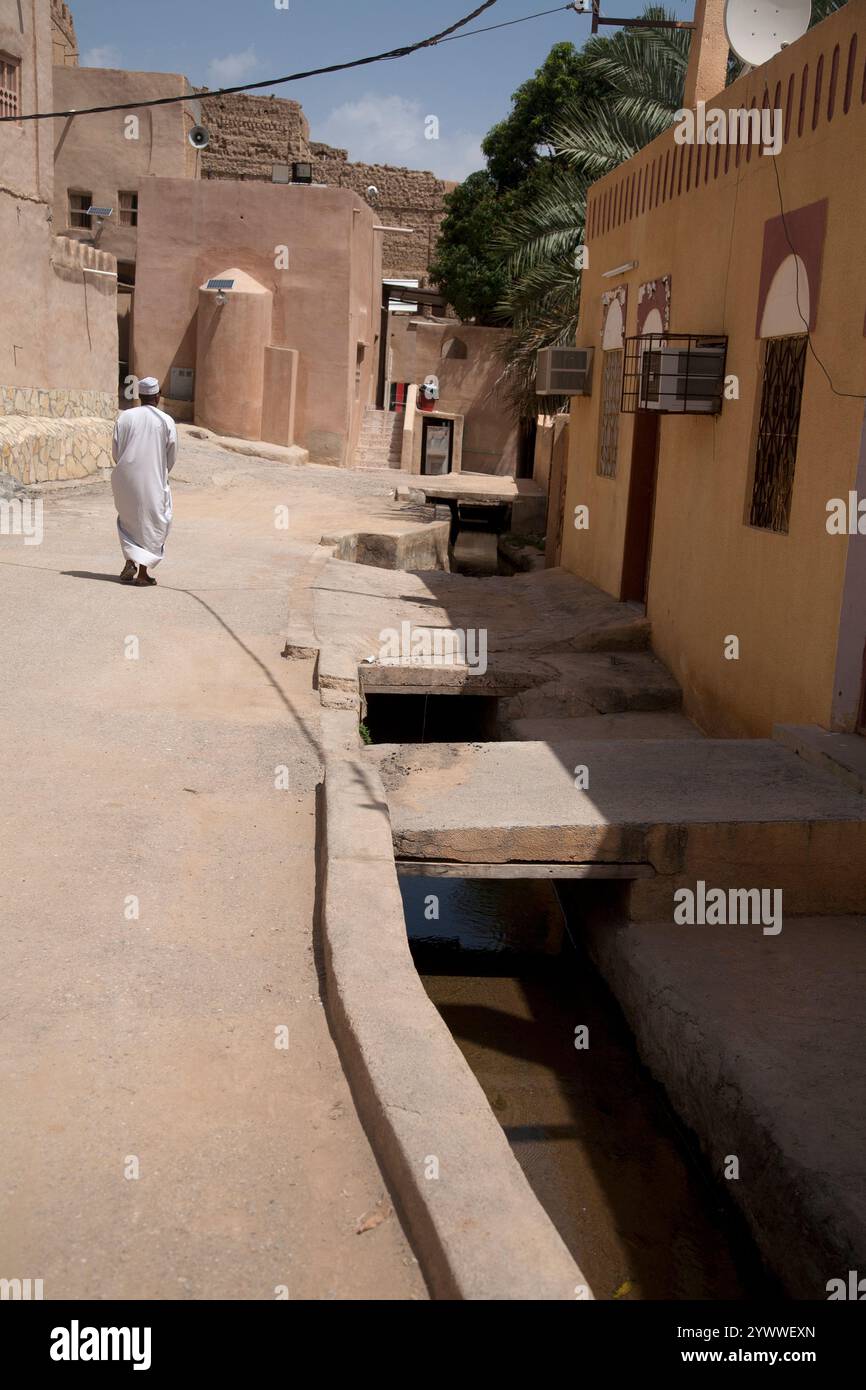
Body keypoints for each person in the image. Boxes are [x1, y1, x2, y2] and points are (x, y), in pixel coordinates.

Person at [111, 377, 177, 586]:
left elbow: (116, 450)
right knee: (152, 522)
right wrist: (161, 471)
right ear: (157, 396)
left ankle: (130, 561)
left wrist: (126, 470)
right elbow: (171, 455)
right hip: (153, 480)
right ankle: (142, 573)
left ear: (139, 396)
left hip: (125, 479)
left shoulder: (125, 417)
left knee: (129, 520)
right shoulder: (165, 420)